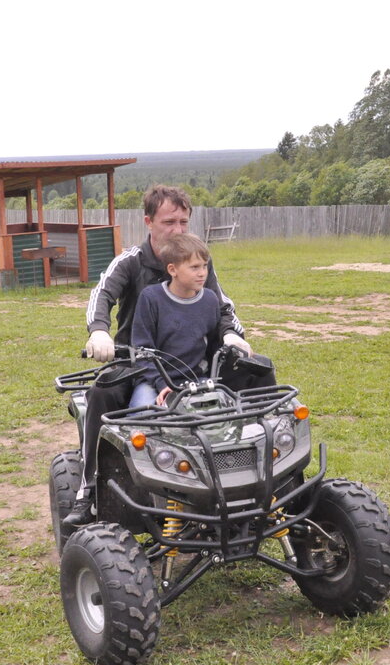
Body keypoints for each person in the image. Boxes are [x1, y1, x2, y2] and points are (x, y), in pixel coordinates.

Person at [63, 185, 272, 530]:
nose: (177, 230)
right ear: (148, 222)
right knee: (101, 394)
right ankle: (88, 491)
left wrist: (233, 334)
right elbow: (101, 294)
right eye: (169, 222)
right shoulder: (131, 261)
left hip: (195, 363)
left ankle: (269, 477)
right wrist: (99, 331)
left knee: (257, 370)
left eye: (183, 222)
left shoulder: (196, 260)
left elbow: (221, 305)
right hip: (138, 361)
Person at [128, 233, 222, 410]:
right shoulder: (151, 298)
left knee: (222, 415)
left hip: (197, 380)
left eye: (204, 266)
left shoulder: (210, 299)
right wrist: (162, 384)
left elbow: (214, 346)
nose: (202, 273)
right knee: (143, 417)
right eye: (194, 267)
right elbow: (142, 350)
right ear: (172, 270)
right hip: (154, 381)